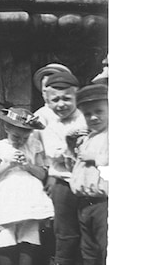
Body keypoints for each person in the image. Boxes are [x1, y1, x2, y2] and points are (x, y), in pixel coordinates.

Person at [0, 107, 53, 265]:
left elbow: (42, 174)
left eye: (25, 138)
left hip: (29, 195)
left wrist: (28, 165)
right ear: (7, 128)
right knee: (6, 232)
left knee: (30, 231)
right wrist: (9, 164)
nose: (20, 141)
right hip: (6, 195)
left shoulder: (34, 146)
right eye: (16, 136)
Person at [31, 67, 85, 265]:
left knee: (90, 229)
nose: (61, 104)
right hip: (62, 182)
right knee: (64, 231)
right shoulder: (46, 122)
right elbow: (51, 153)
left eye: (66, 99)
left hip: (89, 183)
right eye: (55, 100)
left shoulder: (86, 117)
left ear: (76, 96)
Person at [70, 83, 108, 265]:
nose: (93, 117)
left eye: (99, 111)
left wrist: (94, 157)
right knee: (89, 249)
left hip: (105, 203)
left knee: (107, 247)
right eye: (87, 114)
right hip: (85, 203)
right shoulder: (88, 138)